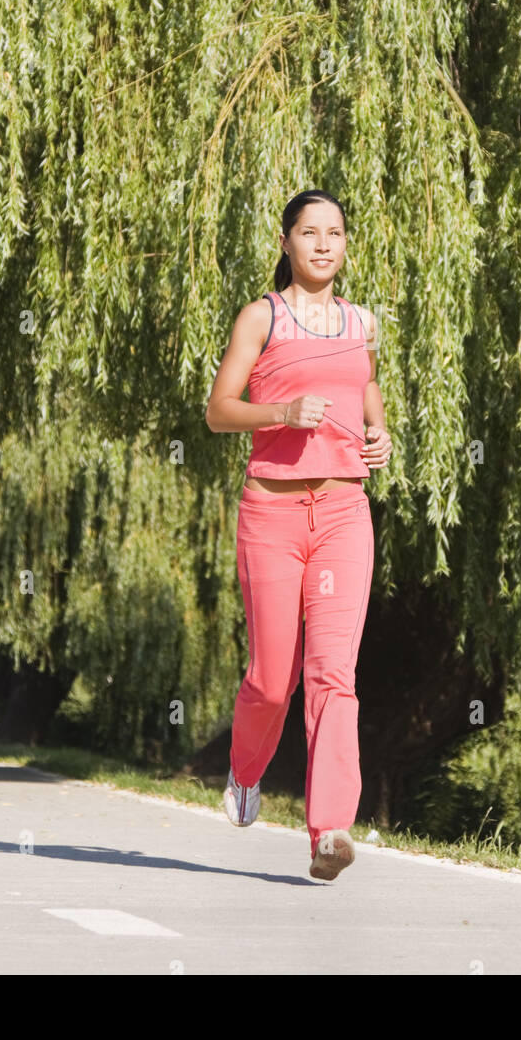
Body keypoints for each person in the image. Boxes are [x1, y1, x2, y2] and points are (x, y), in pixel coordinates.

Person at [204, 188, 392, 880]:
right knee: (271, 679)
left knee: (331, 675)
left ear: (346, 244)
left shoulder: (362, 322)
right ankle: (246, 771)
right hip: (273, 514)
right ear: (285, 242)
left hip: (343, 512)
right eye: (308, 232)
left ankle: (329, 828)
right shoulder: (261, 316)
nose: (321, 244)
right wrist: (282, 411)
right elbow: (219, 412)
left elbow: (365, 396)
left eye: (334, 233)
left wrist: (379, 436)